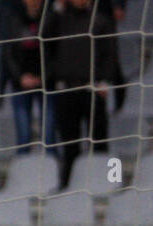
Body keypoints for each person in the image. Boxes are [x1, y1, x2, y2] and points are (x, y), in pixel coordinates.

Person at [42, 0, 117, 188]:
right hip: (66, 90)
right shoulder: (58, 20)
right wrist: (56, 10)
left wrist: (104, 80)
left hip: (93, 89)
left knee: (99, 141)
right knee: (69, 144)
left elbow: (110, 54)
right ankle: (68, 186)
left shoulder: (100, 21)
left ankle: (105, 184)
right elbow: (44, 39)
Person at [0, 0, 56, 154]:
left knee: (49, 136)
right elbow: (8, 53)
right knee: (23, 136)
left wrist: (45, 76)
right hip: (20, 84)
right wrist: (19, 77)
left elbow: (58, 51)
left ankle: (54, 172)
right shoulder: (12, 19)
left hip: (47, 84)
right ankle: (23, 172)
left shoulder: (51, 19)